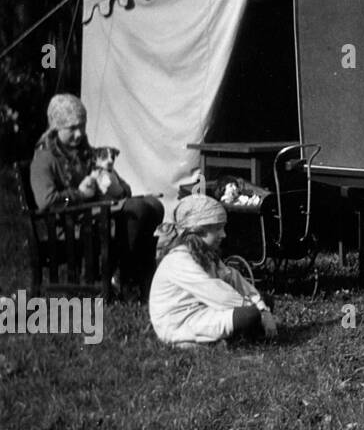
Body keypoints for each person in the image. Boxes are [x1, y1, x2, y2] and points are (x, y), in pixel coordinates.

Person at [29, 93, 163, 291]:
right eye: (72, 128)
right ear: (56, 127)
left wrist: (117, 189)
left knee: (154, 205)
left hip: (96, 215)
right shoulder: (44, 158)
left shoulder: (87, 153)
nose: (79, 133)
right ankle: (125, 279)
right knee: (138, 209)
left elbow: (124, 188)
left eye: (82, 126)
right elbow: (46, 202)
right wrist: (78, 194)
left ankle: (135, 277)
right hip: (69, 225)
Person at [149, 194, 279, 347]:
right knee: (250, 314)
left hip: (205, 308)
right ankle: (193, 342)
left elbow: (232, 278)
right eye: (217, 229)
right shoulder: (179, 260)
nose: (223, 234)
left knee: (264, 300)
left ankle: (234, 336)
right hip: (180, 321)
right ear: (198, 230)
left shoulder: (206, 254)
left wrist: (262, 307)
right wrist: (259, 311)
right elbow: (218, 294)